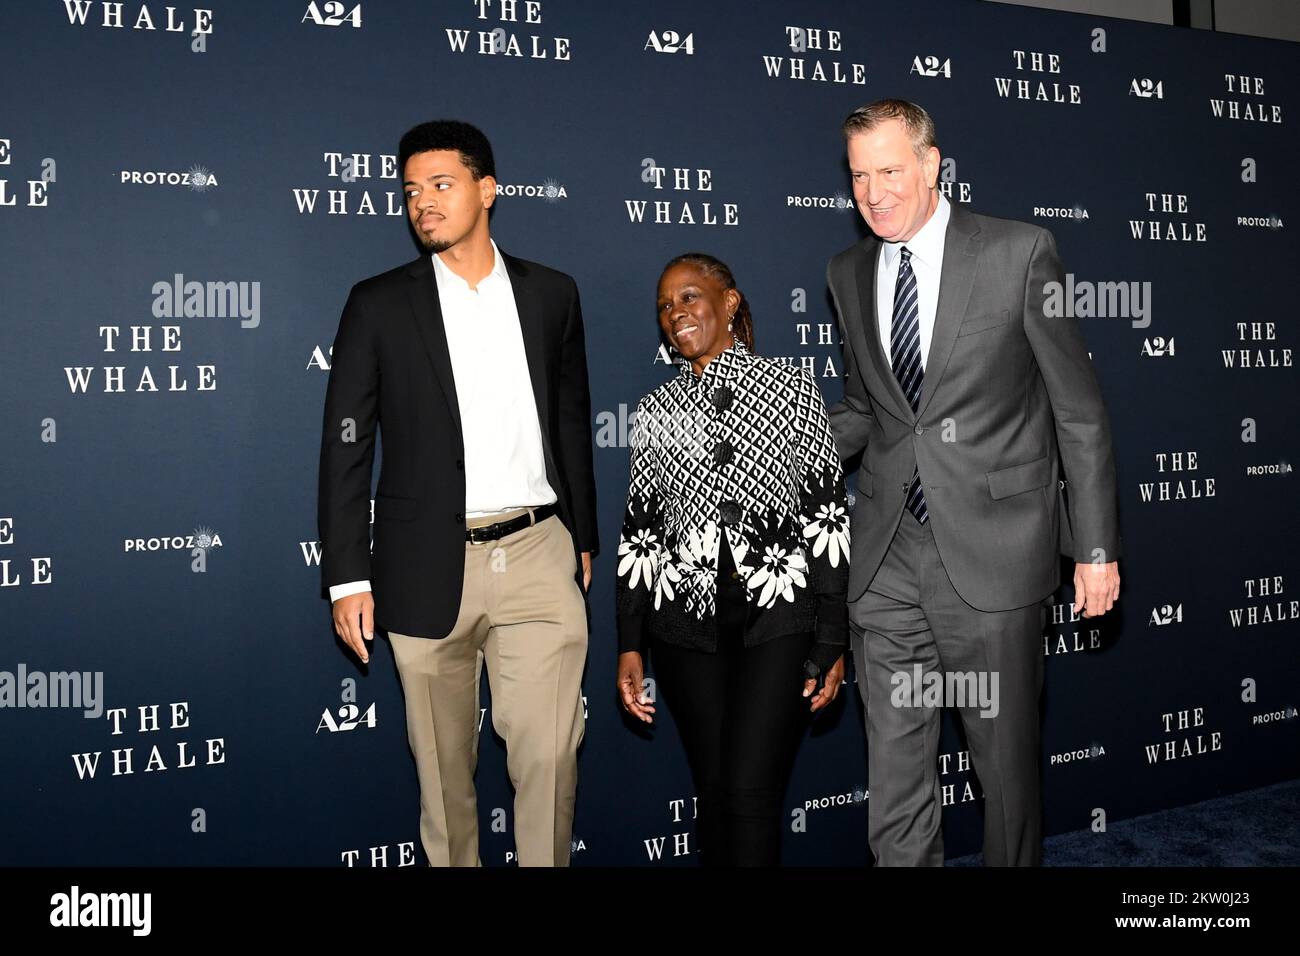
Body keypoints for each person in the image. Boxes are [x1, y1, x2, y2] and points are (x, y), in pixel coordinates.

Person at [825, 99, 1121, 867]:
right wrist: (784, 447)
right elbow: (867, 411)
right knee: (894, 767)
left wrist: (1092, 547)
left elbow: (1078, 412)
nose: (875, 192)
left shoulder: (1019, 252)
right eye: (860, 176)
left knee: (1004, 770)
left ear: (930, 164)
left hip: (993, 557)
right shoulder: (848, 271)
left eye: (890, 170)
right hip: (887, 557)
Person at [317, 119, 598, 867]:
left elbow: (572, 422)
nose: (423, 203)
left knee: (549, 759)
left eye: (441, 185)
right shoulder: (377, 303)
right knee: (444, 782)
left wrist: (585, 537)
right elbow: (347, 443)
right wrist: (348, 573)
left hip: (539, 552)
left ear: (488, 189)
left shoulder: (552, 295)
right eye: (411, 190)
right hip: (420, 562)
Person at [615, 253, 851, 866]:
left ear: (731, 302)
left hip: (778, 622)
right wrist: (630, 642)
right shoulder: (653, 415)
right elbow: (640, 535)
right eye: (666, 306)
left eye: (690, 297)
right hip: (683, 631)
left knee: (749, 791)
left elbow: (827, 514)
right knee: (715, 791)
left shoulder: (792, 390)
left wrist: (832, 636)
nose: (676, 314)